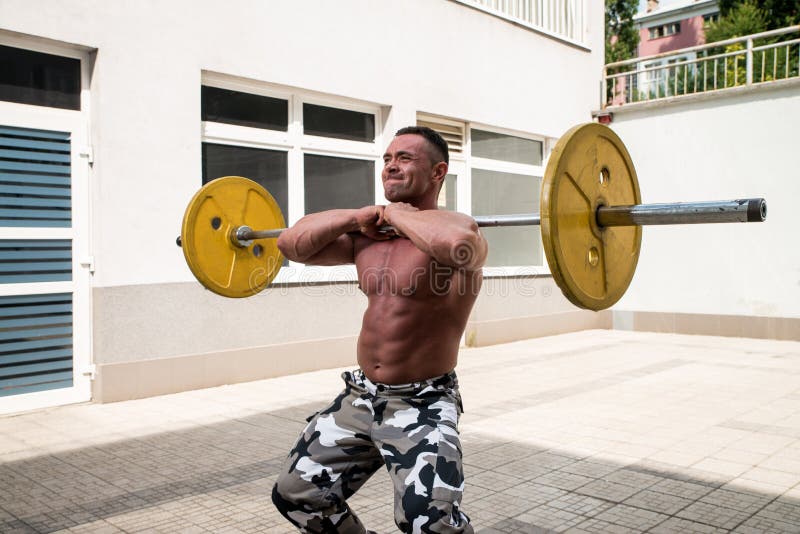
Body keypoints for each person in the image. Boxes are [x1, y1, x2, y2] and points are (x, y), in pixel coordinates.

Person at [272, 126, 488, 534]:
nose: (391, 166)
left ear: (438, 171)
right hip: (361, 396)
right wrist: (356, 218)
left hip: (421, 401)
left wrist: (403, 216)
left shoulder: (456, 226)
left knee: (431, 524)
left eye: (405, 158)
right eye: (387, 159)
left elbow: (459, 245)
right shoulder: (368, 238)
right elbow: (290, 244)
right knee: (296, 493)